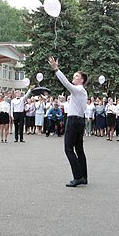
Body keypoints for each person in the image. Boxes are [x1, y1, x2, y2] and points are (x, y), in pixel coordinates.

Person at [48, 56, 88, 187]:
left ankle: (78, 176)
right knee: (79, 149)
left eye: (76, 76)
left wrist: (56, 69)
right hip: (79, 120)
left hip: (74, 121)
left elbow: (66, 83)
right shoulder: (81, 92)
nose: (74, 76)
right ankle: (83, 176)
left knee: (68, 149)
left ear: (81, 80)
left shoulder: (78, 89)